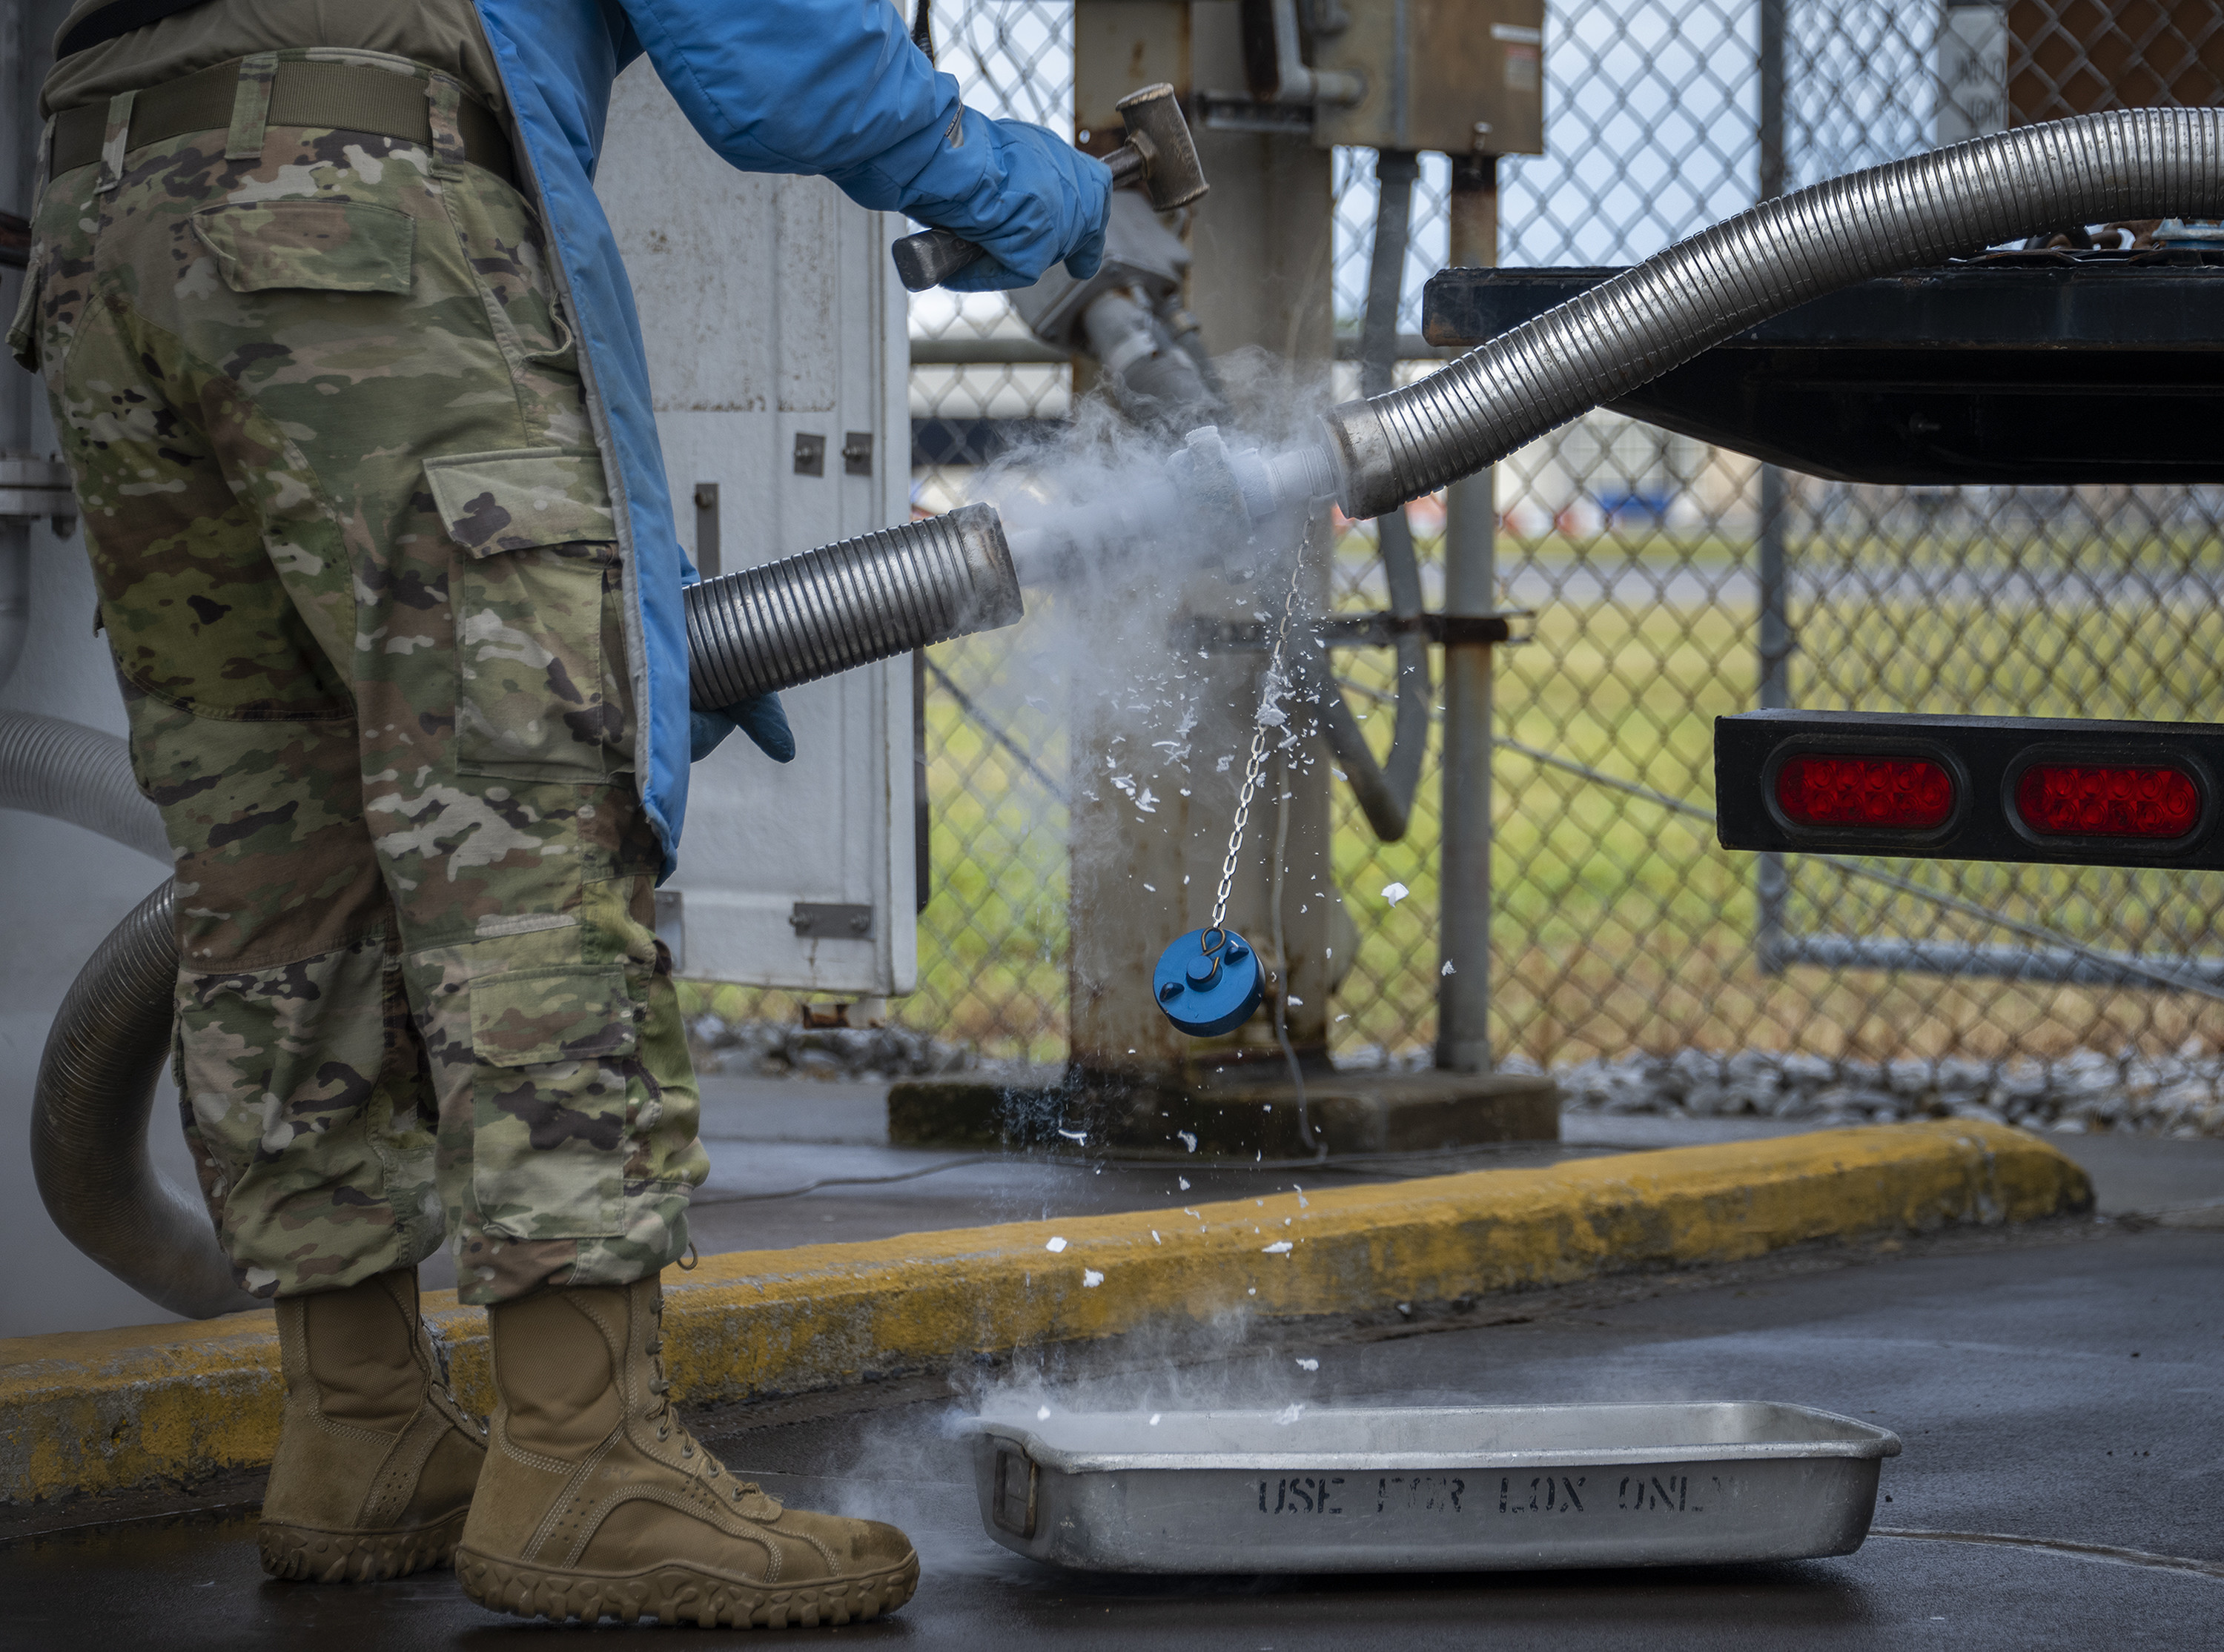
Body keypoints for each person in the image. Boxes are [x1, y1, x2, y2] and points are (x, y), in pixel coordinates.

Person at [10, 0, 1108, 1627]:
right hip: (355, 194)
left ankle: (360, 1422)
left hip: (104, 212)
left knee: (273, 850)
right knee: (525, 832)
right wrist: (1042, 192)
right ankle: (587, 1458)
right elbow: (759, 43)